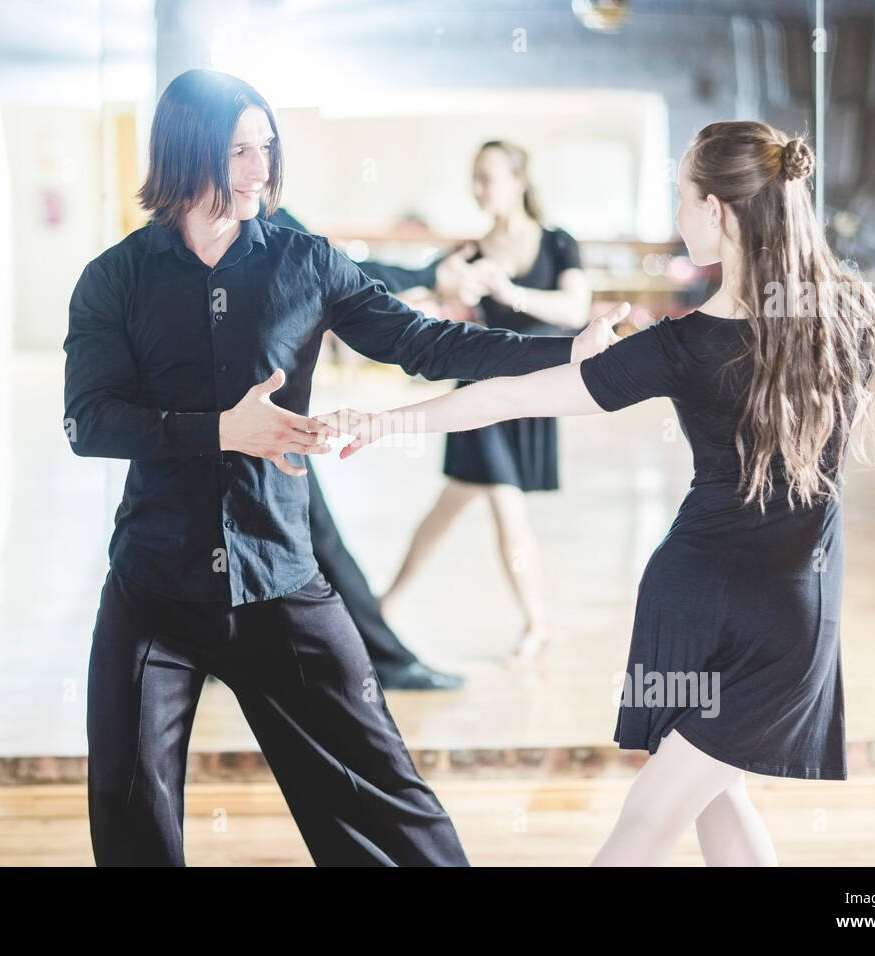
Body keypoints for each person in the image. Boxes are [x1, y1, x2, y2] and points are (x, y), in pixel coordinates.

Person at [317, 121, 875, 866]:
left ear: (718, 212)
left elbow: (505, 398)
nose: (678, 217)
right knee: (714, 797)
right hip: (779, 603)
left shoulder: (685, 343)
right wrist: (376, 423)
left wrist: (380, 422)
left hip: (711, 601)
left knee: (651, 817)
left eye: (682, 199)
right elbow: (505, 398)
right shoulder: (845, 317)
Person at [63, 69, 605, 866]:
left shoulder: (304, 263)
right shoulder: (114, 278)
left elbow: (428, 345)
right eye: (237, 151)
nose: (259, 170)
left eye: (266, 148)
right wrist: (220, 430)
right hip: (153, 592)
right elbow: (89, 421)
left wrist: (566, 351)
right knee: (131, 818)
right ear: (184, 157)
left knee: (388, 803)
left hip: (281, 578)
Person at [377, 141, 591, 662]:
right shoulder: (469, 253)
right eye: (474, 178)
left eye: (487, 177)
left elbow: (574, 309)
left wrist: (511, 291)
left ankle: (383, 605)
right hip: (481, 391)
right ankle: (537, 622)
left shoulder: (558, 243)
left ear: (518, 180)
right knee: (503, 500)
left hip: (535, 388)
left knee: (448, 507)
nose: (478, 188)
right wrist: (440, 289)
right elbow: (411, 296)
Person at [264, 206, 464, 691]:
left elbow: (340, 274)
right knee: (317, 543)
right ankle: (385, 661)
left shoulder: (268, 219)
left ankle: (382, 658)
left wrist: (426, 274)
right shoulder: (175, 237)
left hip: (268, 425)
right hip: (233, 431)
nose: (257, 166)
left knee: (309, 539)